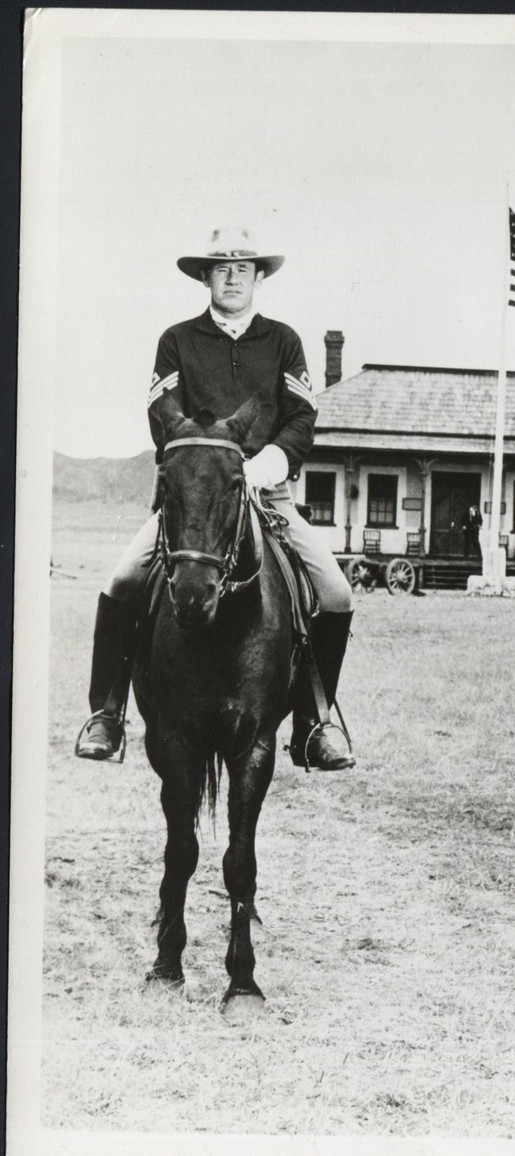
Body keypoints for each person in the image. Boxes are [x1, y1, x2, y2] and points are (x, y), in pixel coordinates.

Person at [75, 226, 357, 771]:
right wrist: (209, 467)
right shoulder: (177, 340)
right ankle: (107, 713)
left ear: (258, 278)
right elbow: (162, 414)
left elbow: (302, 418)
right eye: (222, 268)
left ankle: (314, 723)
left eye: (243, 269)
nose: (232, 277)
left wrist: (265, 464)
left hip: (268, 494)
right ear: (205, 276)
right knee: (123, 581)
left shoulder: (284, 342)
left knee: (337, 592)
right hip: (192, 501)